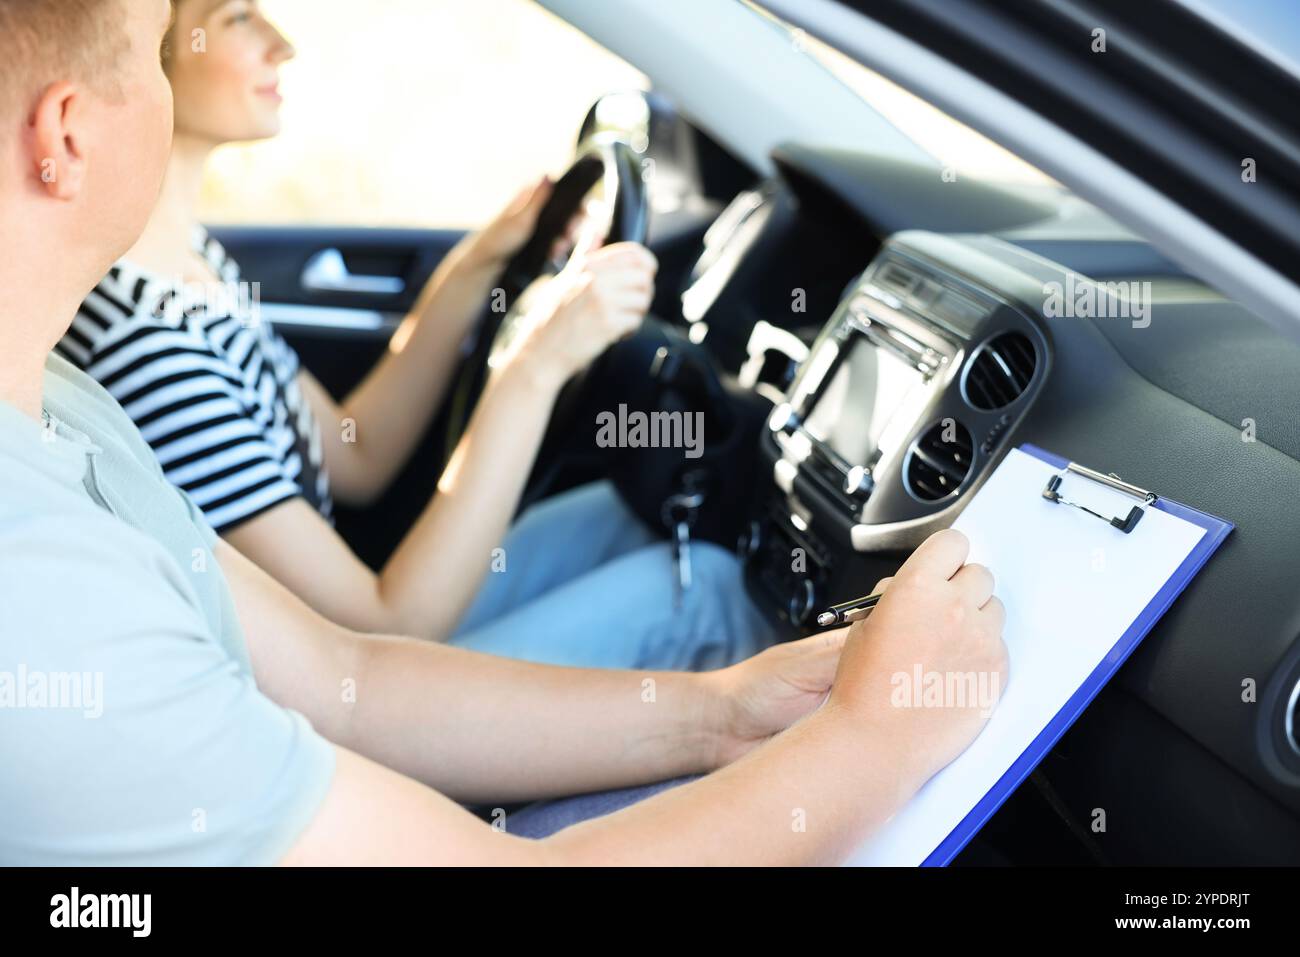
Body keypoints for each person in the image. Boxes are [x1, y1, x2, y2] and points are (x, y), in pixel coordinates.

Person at [0, 0, 1007, 866]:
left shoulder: (61, 404)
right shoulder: (47, 592)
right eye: (143, 49)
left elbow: (348, 682)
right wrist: (875, 739)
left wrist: (732, 711)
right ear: (69, 136)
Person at [54, 0, 775, 671]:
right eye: (237, 19)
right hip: (350, 706)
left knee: (640, 510)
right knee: (705, 588)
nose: (285, 44)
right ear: (145, 59)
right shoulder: (145, 346)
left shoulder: (183, 260)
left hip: (368, 658)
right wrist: (538, 363)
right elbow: (384, 628)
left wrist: (478, 266)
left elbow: (352, 452)